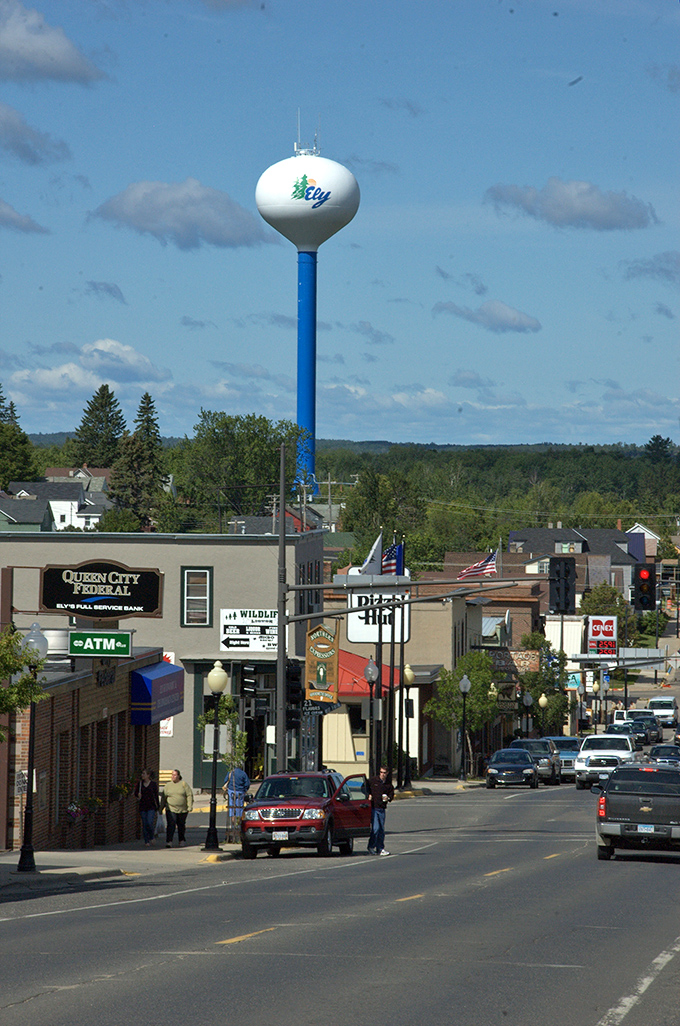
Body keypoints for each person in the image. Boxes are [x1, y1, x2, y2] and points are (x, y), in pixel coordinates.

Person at [161, 769, 193, 847]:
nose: (173, 776)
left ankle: (181, 840)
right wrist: (161, 808)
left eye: (175, 775)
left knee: (181, 825)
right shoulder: (168, 785)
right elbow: (163, 797)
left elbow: (189, 795)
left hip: (182, 809)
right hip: (171, 808)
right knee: (171, 825)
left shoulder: (183, 784)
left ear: (178, 776)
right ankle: (169, 841)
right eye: (172, 775)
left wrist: (189, 806)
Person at [367, 765, 394, 856]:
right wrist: (368, 795)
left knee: (381, 830)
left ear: (387, 773)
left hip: (382, 808)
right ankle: (371, 846)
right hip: (374, 808)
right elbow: (364, 787)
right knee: (375, 828)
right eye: (381, 772)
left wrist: (388, 798)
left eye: (384, 773)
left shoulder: (388, 784)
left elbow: (391, 794)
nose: (382, 774)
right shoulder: (373, 781)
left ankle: (380, 848)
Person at [223, 764, 250, 841]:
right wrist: (244, 790)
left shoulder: (231, 772)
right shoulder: (243, 774)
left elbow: (225, 780)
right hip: (240, 792)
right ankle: (238, 825)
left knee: (232, 807)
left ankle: (233, 824)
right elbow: (247, 784)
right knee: (239, 808)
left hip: (231, 792)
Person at [135, 768, 160, 847]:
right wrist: (137, 795)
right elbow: (136, 793)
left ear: (148, 775)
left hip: (151, 807)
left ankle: (152, 836)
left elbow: (156, 796)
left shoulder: (153, 784)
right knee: (145, 824)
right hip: (143, 806)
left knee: (149, 822)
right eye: (142, 774)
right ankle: (146, 841)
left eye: (144, 774)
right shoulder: (140, 784)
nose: (142, 775)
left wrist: (158, 806)